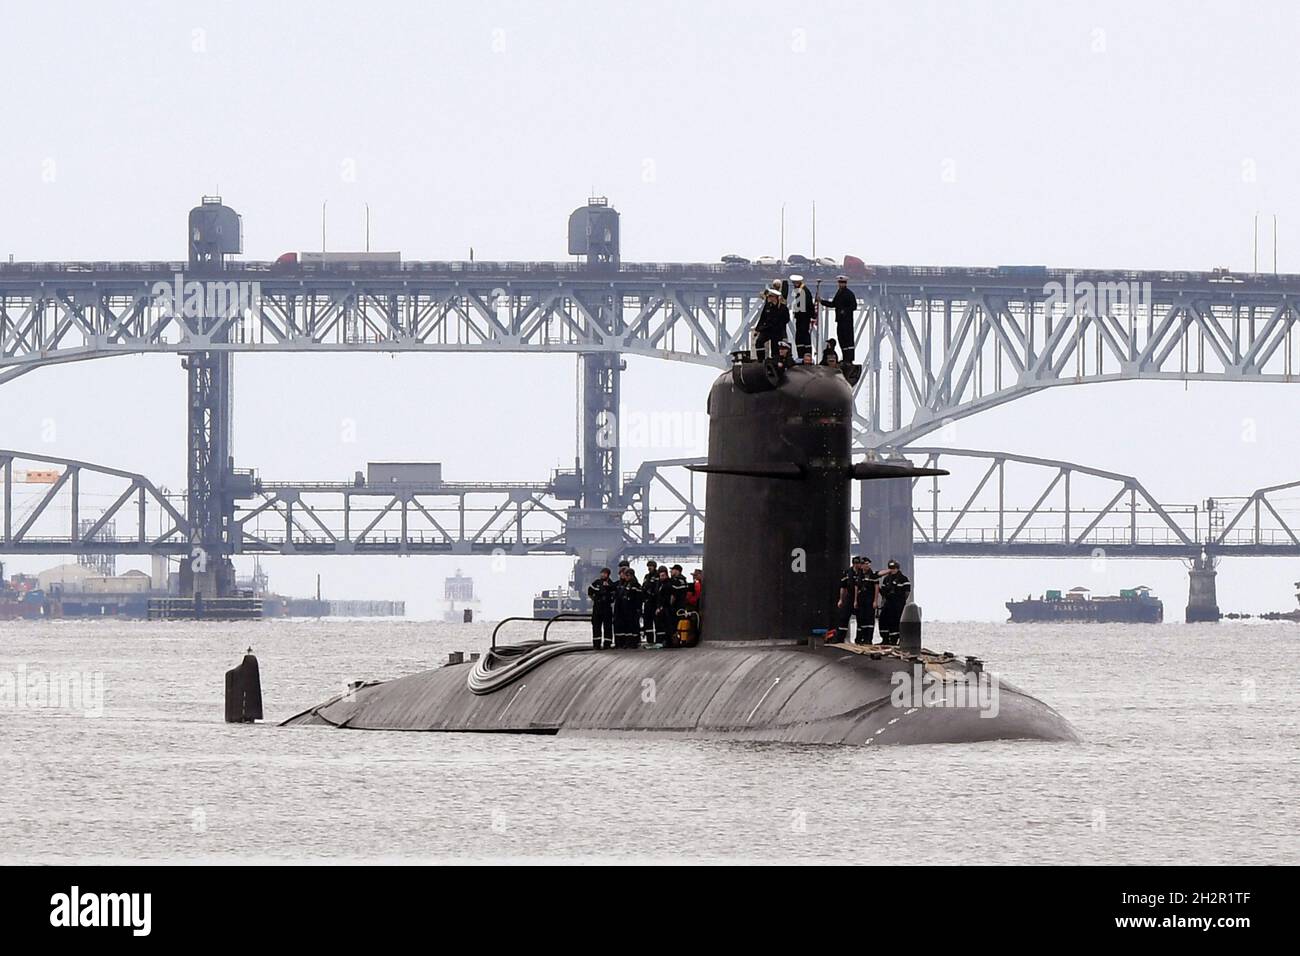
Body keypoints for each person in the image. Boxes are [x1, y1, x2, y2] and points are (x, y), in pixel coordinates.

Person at [832, 556, 873, 644]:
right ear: (853, 564)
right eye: (856, 563)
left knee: (861, 619)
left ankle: (859, 639)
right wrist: (841, 600)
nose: (858, 565)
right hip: (849, 598)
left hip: (860, 599)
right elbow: (843, 587)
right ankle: (840, 639)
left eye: (859, 563)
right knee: (843, 617)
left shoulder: (864, 573)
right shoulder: (847, 573)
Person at [818, 276, 858, 363]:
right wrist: (822, 301)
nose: (841, 284)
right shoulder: (839, 293)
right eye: (840, 282)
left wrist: (845, 311)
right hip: (840, 320)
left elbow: (854, 306)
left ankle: (849, 358)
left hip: (847, 321)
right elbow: (833, 304)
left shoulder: (849, 294)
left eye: (842, 283)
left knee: (848, 341)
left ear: (845, 283)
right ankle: (845, 357)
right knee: (841, 339)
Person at [877, 559, 912, 646]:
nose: (892, 570)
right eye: (890, 568)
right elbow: (884, 592)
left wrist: (901, 602)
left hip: (897, 604)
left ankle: (894, 640)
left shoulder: (903, 579)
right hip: (888, 603)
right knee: (883, 620)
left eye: (894, 568)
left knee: (894, 622)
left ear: (897, 568)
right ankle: (885, 639)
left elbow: (907, 592)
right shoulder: (886, 579)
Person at [753, 284, 790, 359]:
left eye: (770, 296)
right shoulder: (768, 306)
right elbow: (762, 317)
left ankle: (775, 361)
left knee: (775, 348)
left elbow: (786, 319)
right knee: (759, 342)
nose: (768, 298)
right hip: (767, 329)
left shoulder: (782, 308)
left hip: (777, 331)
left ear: (774, 297)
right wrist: (757, 329)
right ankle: (761, 360)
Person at [612, 567, 644, 649]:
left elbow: (638, 598)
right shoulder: (623, 585)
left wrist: (638, 609)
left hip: (632, 610)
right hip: (624, 609)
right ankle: (623, 643)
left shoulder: (635, 585)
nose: (625, 577)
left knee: (632, 627)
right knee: (625, 627)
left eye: (627, 575)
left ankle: (633, 643)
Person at [788, 274, 817, 360]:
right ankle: (801, 355)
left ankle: (804, 356)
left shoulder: (804, 292)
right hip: (801, 318)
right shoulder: (800, 291)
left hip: (803, 318)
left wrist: (811, 315)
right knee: (800, 337)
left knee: (802, 336)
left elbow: (807, 306)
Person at [587, 567, 616, 649]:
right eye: (602, 573)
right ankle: (596, 644)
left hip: (606, 608)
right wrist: (594, 598)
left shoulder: (611, 584)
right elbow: (590, 591)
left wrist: (608, 591)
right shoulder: (596, 583)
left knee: (608, 627)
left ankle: (607, 644)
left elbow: (613, 595)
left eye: (604, 573)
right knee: (596, 626)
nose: (602, 574)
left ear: (608, 575)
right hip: (597, 608)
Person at [641, 561, 660, 644]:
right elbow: (644, 587)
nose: (649, 567)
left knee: (657, 622)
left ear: (654, 567)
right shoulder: (647, 576)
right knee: (648, 622)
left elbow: (657, 588)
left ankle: (659, 640)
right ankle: (650, 640)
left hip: (655, 602)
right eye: (648, 566)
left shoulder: (657, 575)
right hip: (647, 602)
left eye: (651, 566)